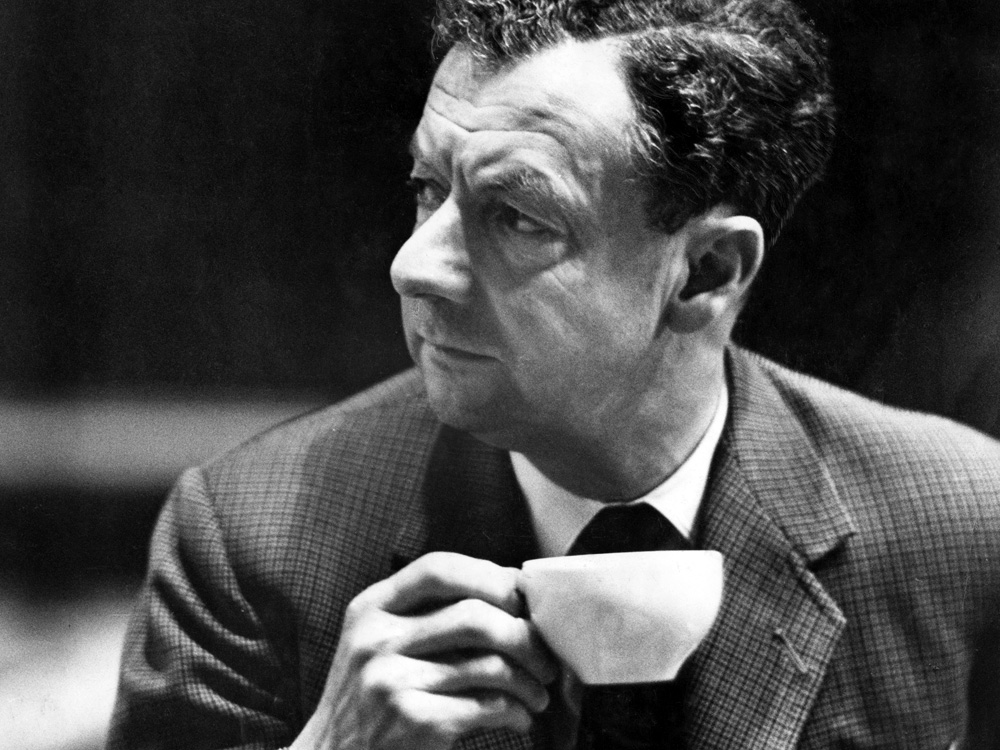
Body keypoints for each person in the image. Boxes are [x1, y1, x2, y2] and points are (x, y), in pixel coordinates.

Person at [107, 0, 1000, 748]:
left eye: (517, 218)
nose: (413, 266)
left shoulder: (962, 525)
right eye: (427, 188)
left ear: (707, 273)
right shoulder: (251, 541)